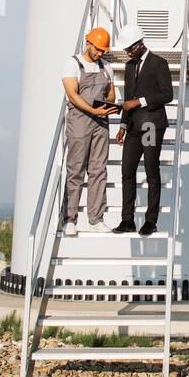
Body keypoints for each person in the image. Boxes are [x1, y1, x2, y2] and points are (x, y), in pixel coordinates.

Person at [112, 24, 173, 235]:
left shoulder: (159, 63)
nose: (127, 52)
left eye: (129, 48)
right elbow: (128, 98)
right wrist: (122, 125)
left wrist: (140, 101)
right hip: (133, 127)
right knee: (126, 172)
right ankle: (127, 221)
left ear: (140, 44)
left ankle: (151, 221)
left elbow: (167, 95)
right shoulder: (129, 67)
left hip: (151, 126)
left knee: (150, 171)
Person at [60, 27, 118, 236]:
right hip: (80, 121)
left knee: (98, 170)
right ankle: (69, 220)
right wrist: (93, 109)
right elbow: (72, 95)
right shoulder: (73, 64)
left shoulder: (107, 67)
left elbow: (111, 92)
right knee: (75, 169)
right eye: (98, 49)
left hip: (100, 122)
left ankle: (96, 218)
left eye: (103, 50)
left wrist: (109, 103)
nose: (100, 53)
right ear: (88, 43)